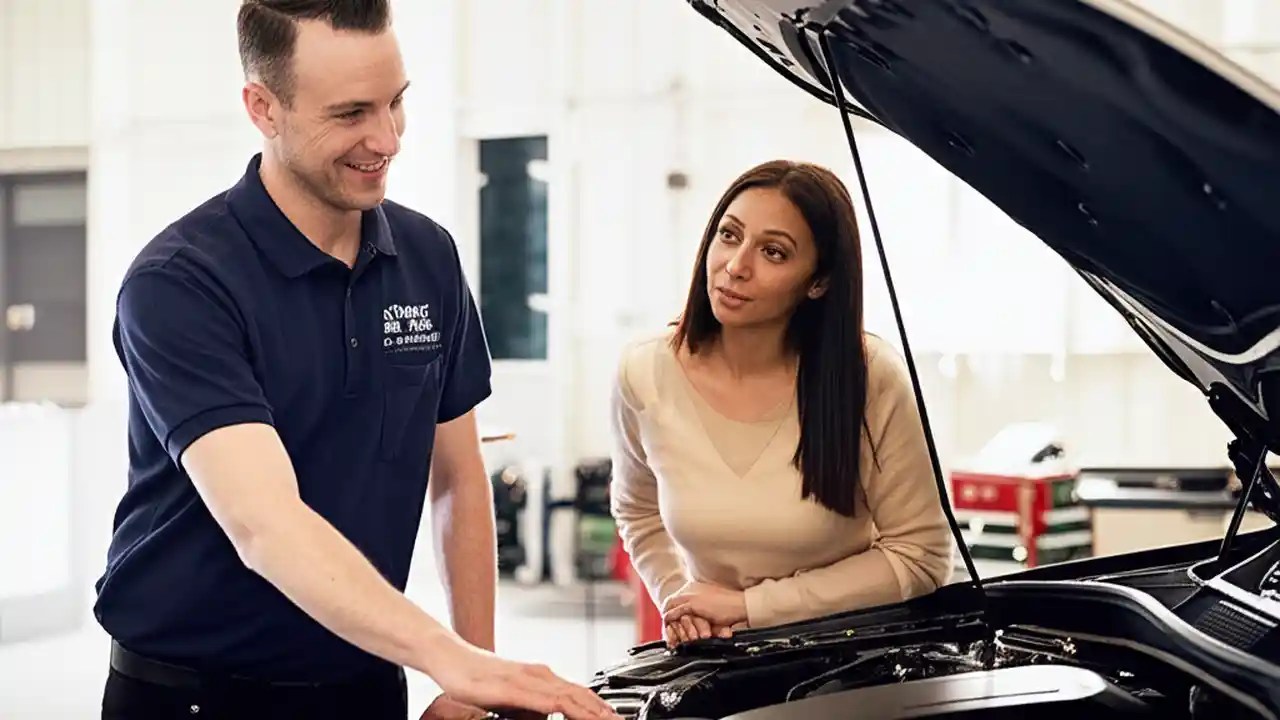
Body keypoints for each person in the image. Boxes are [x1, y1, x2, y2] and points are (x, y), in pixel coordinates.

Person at [94, 2, 619, 719]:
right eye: (350, 114)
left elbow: (459, 480)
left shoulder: (427, 258)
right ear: (262, 108)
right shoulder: (182, 283)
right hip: (193, 697)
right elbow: (264, 524)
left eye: (396, 102)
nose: (387, 139)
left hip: (367, 689)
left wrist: (473, 677)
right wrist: (450, 655)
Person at [609, 160, 955, 647]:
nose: (735, 266)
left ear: (819, 282)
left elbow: (921, 553)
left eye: (773, 252)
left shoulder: (867, 375)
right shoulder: (644, 372)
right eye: (729, 236)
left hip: (850, 662)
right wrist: (682, 601)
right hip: (714, 660)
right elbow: (637, 512)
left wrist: (752, 607)